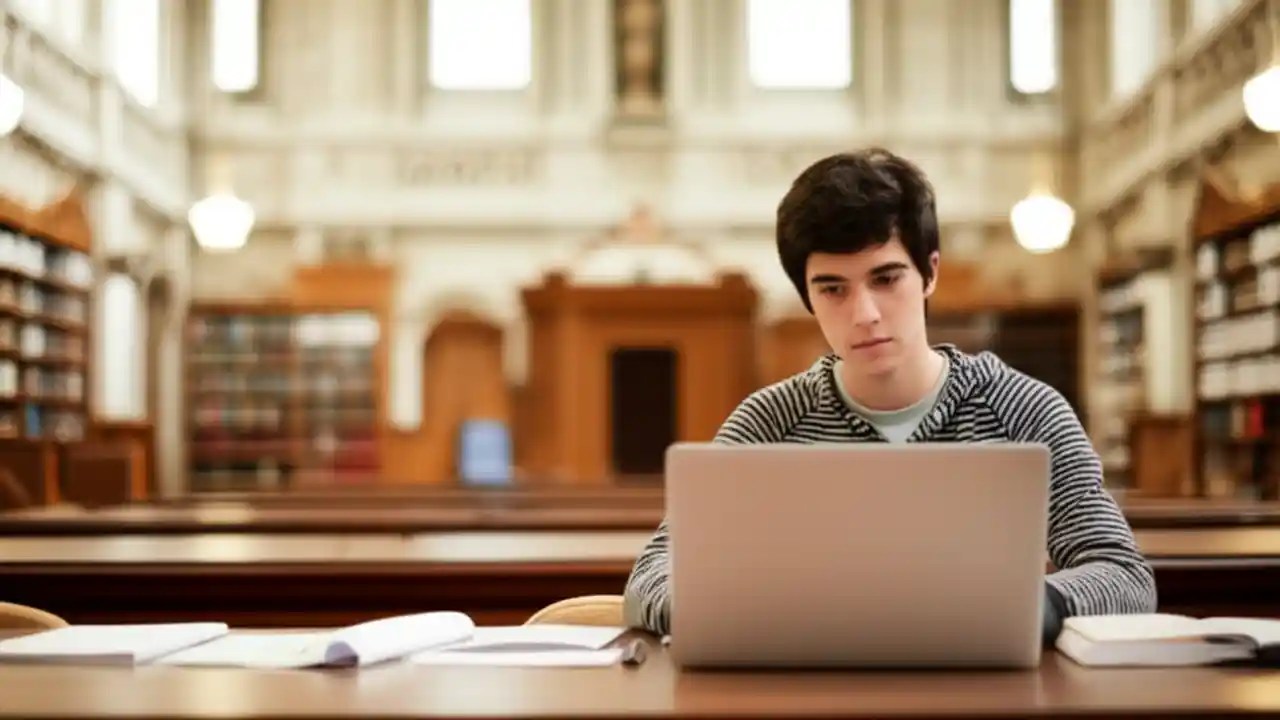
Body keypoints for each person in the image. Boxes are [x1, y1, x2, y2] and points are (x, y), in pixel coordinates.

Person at [622, 148, 1157, 644]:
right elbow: (651, 575)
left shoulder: (1025, 410)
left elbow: (1124, 575)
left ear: (929, 274)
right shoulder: (767, 423)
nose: (865, 314)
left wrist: (1031, 605)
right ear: (808, 298)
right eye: (833, 288)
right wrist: (740, 608)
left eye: (886, 278)